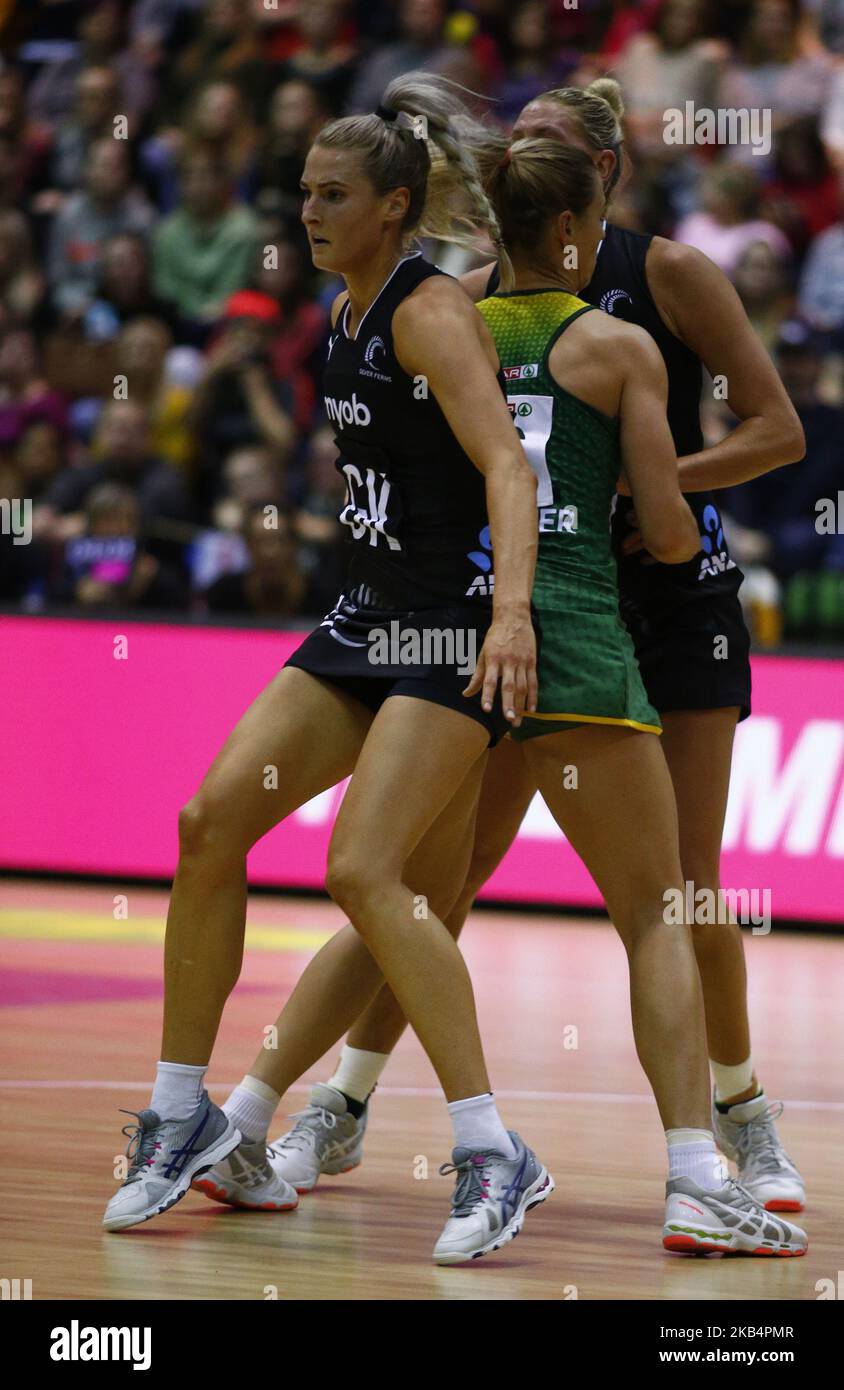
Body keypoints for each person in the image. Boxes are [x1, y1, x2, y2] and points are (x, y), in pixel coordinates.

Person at [259, 78, 809, 1221]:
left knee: (687, 890)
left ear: (597, 173)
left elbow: (777, 431)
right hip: (539, 606)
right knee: (443, 883)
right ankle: (338, 1102)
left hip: (665, 597)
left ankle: (740, 1118)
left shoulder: (670, 276)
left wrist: (644, 483)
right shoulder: (461, 300)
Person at [102, 73, 550, 1264]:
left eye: (333, 194)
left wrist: (510, 615)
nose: (306, 210)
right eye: (302, 190)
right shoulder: (342, 309)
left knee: (368, 872)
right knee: (208, 824)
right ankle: (186, 1110)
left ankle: (493, 1152)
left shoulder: (427, 313)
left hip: (453, 625)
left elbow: (510, 469)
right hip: (364, 620)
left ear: (395, 207)